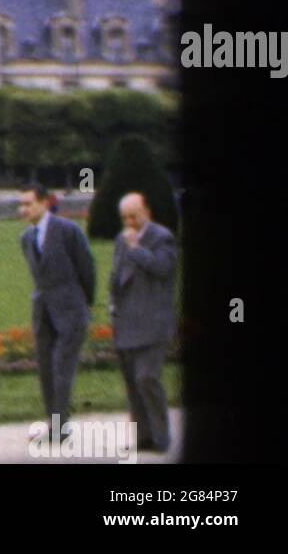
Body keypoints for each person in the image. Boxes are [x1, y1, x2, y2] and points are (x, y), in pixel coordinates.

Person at [18, 183, 96, 441]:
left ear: (45, 203)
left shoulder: (68, 231)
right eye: (22, 204)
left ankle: (59, 428)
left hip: (71, 311)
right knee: (46, 369)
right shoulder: (26, 238)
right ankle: (56, 424)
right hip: (43, 311)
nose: (24, 209)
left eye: (28, 203)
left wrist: (84, 303)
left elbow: (87, 268)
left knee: (62, 367)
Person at [109, 192, 178, 452]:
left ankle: (161, 437)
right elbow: (117, 276)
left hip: (153, 323)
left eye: (134, 216)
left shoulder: (162, 238)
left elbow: (162, 268)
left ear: (146, 212)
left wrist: (136, 248)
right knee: (132, 384)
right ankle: (143, 437)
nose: (129, 222)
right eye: (125, 217)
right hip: (126, 322)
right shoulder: (121, 239)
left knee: (147, 378)